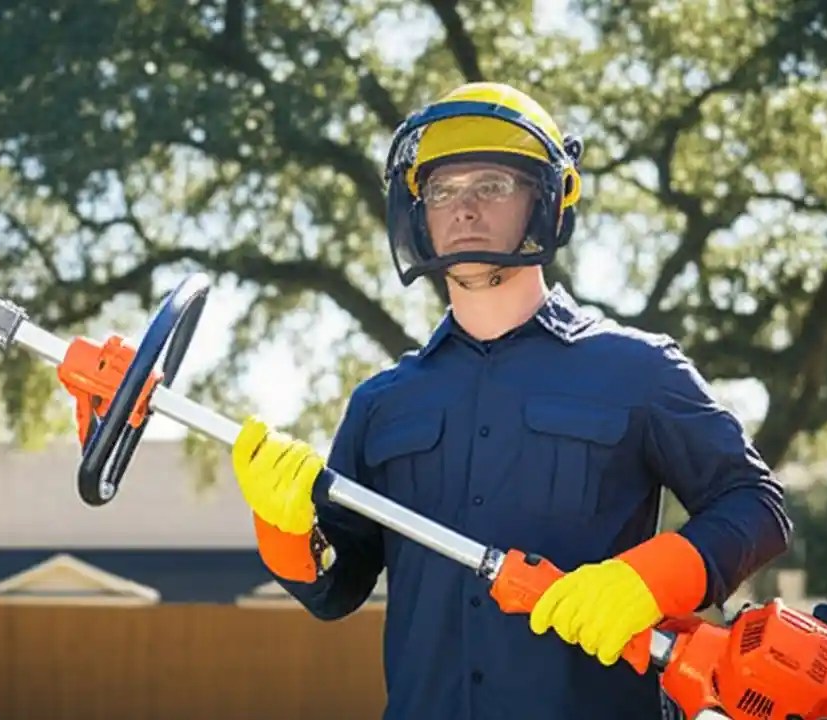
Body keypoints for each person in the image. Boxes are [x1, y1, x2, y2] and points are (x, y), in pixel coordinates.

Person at [228, 82, 793, 720]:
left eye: (492, 184)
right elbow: (336, 589)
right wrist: (285, 528)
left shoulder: (639, 371)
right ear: (418, 214)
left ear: (546, 200)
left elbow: (757, 506)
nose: (464, 207)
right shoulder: (381, 403)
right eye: (442, 189)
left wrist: (649, 579)